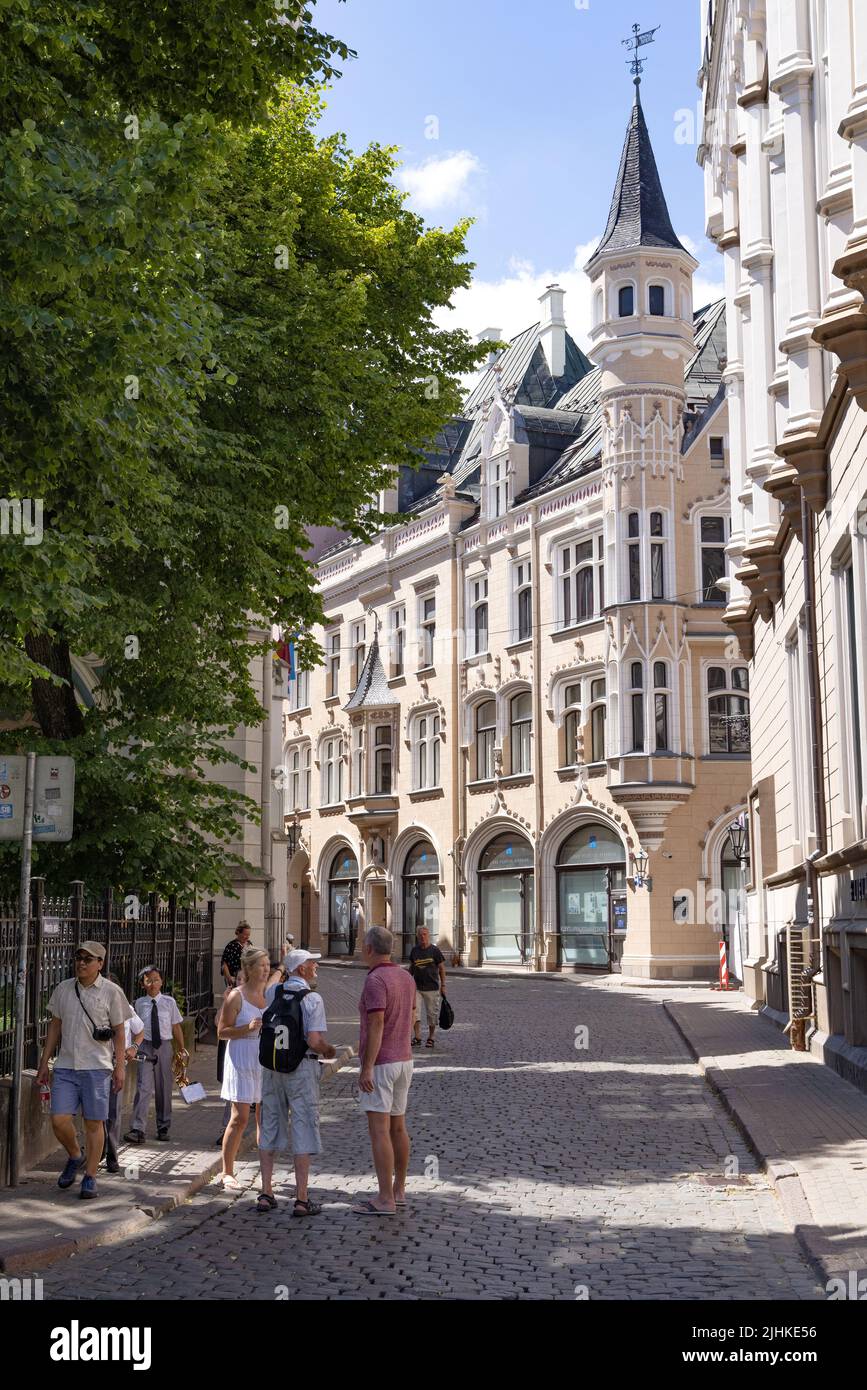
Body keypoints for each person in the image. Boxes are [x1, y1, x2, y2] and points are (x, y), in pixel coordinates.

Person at [35, 941, 131, 1200]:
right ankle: (75, 1155)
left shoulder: (112, 992)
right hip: (66, 1065)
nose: (81, 963)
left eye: (88, 959)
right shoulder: (64, 989)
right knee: (59, 1119)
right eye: (79, 958)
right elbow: (55, 1026)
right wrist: (44, 1063)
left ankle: (90, 1176)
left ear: (100, 964)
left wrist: (119, 1067)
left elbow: (120, 1032)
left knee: (93, 1122)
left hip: (97, 1067)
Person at [256, 949, 336, 1216]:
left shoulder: (273, 993)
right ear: (301, 969)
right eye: (312, 963)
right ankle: (301, 1199)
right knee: (302, 1126)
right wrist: (328, 1050)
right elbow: (313, 1040)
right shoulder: (312, 999)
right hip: (301, 1068)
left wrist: (280, 969)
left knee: (270, 1124)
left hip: (272, 1068)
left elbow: (268, 986)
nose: (315, 966)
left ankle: (266, 1192)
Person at [354, 925, 416, 1216]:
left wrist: (367, 1066)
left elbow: (377, 1023)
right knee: (398, 1127)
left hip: (382, 1063)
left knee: (379, 1131)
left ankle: (384, 1198)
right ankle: (399, 1190)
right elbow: (411, 1015)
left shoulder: (375, 979)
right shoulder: (405, 976)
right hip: (405, 1059)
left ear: (369, 949)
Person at [218, 945, 268, 1189]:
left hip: (264, 1058)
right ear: (249, 968)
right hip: (241, 1057)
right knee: (240, 1118)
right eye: (262, 965)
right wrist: (246, 1029)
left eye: (268, 965)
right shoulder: (236, 996)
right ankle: (227, 1171)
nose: (266, 969)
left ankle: (265, 1172)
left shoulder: (269, 994)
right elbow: (222, 1032)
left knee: (265, 1117)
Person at [124, 965, 187, 1144]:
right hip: (145, 1046)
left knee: (164, 1087)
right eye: (148, 980)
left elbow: (176, 1026)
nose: (153, 984)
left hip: (164, 1046)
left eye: (156, 980)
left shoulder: (169, 1002)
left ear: (162, 982)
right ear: (143, 983)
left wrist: (181, 1049)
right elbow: (135, 1029)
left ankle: (163, 1126)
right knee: (143, 1086)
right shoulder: (138, 1003)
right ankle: (138, 1128)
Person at [104, 976, 144, 1173]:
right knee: (95, 1112)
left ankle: (111, 1154)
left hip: (116, 1062)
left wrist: (134, 1047)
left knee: (113, 1112)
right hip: (95, 1062)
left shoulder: (126, 1008)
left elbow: (140, 1030)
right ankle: (98, 1149)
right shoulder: (94, 1007)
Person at [408, 926, 447, 1050]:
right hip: (417, 988)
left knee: (432, 1014)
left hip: (432, 987)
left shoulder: (435, 951)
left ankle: (431, 1037)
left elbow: (442, 969)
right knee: (415, 1013)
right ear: (417, 936)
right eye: (420, 935)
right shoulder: (414, 951)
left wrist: (443, 985)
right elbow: (411, 968)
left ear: (428, 935)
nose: (423, 937)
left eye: (425, 934)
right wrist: (407, 982)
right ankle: (418, 1037)